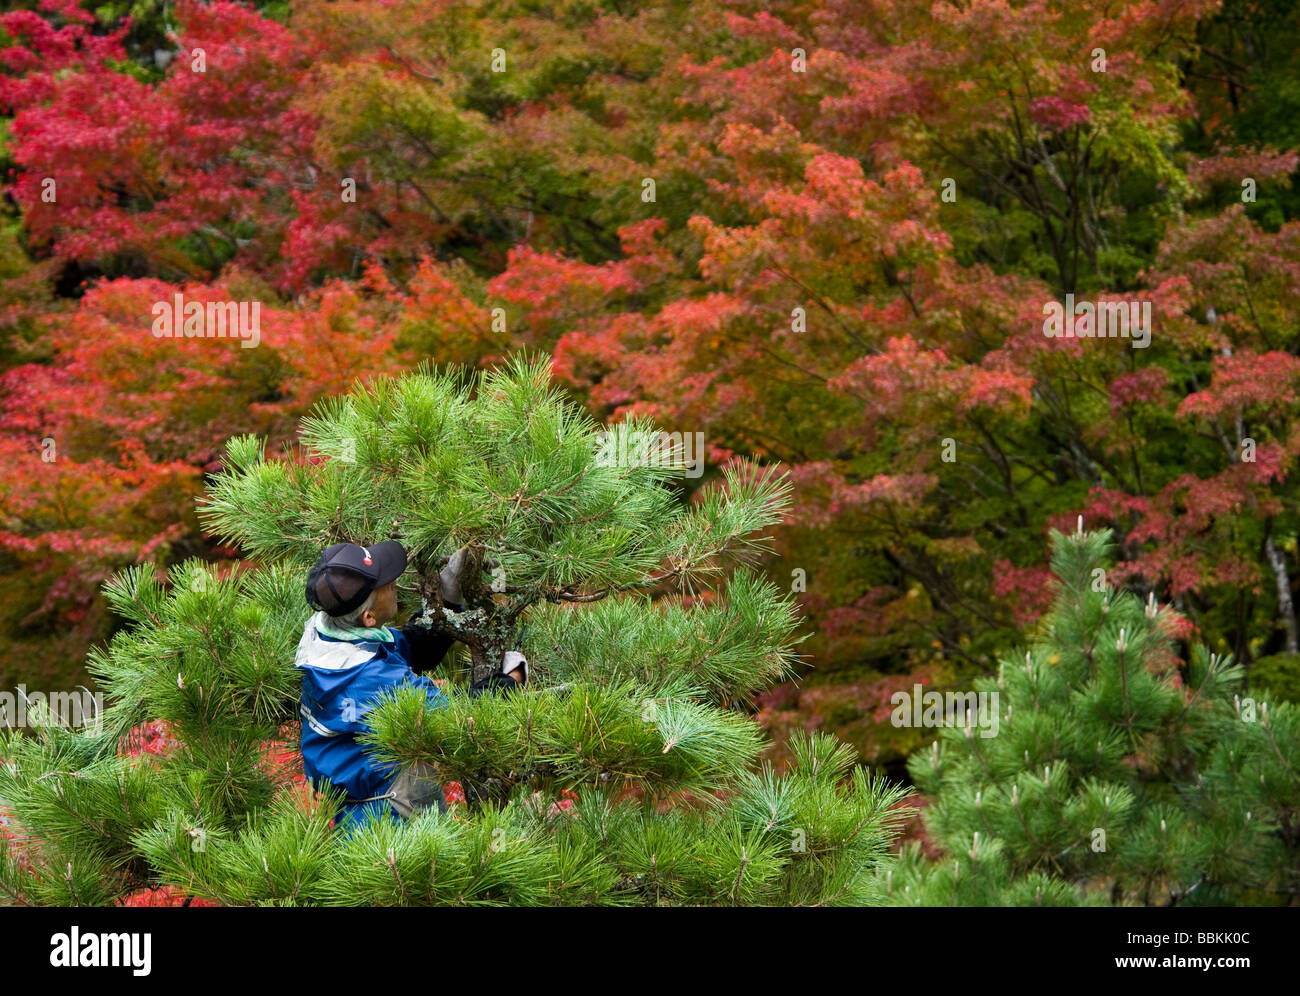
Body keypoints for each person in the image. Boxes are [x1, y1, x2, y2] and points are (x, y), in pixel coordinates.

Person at [295, 540, 526, 832]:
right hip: (388, 826)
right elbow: (455, 719)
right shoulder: (370, 678)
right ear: (368, 616)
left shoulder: (335, 639)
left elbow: (412, 648)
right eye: (385, 583)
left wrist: (447, 597)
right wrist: (512, 679)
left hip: (364, 810)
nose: (394, 582)